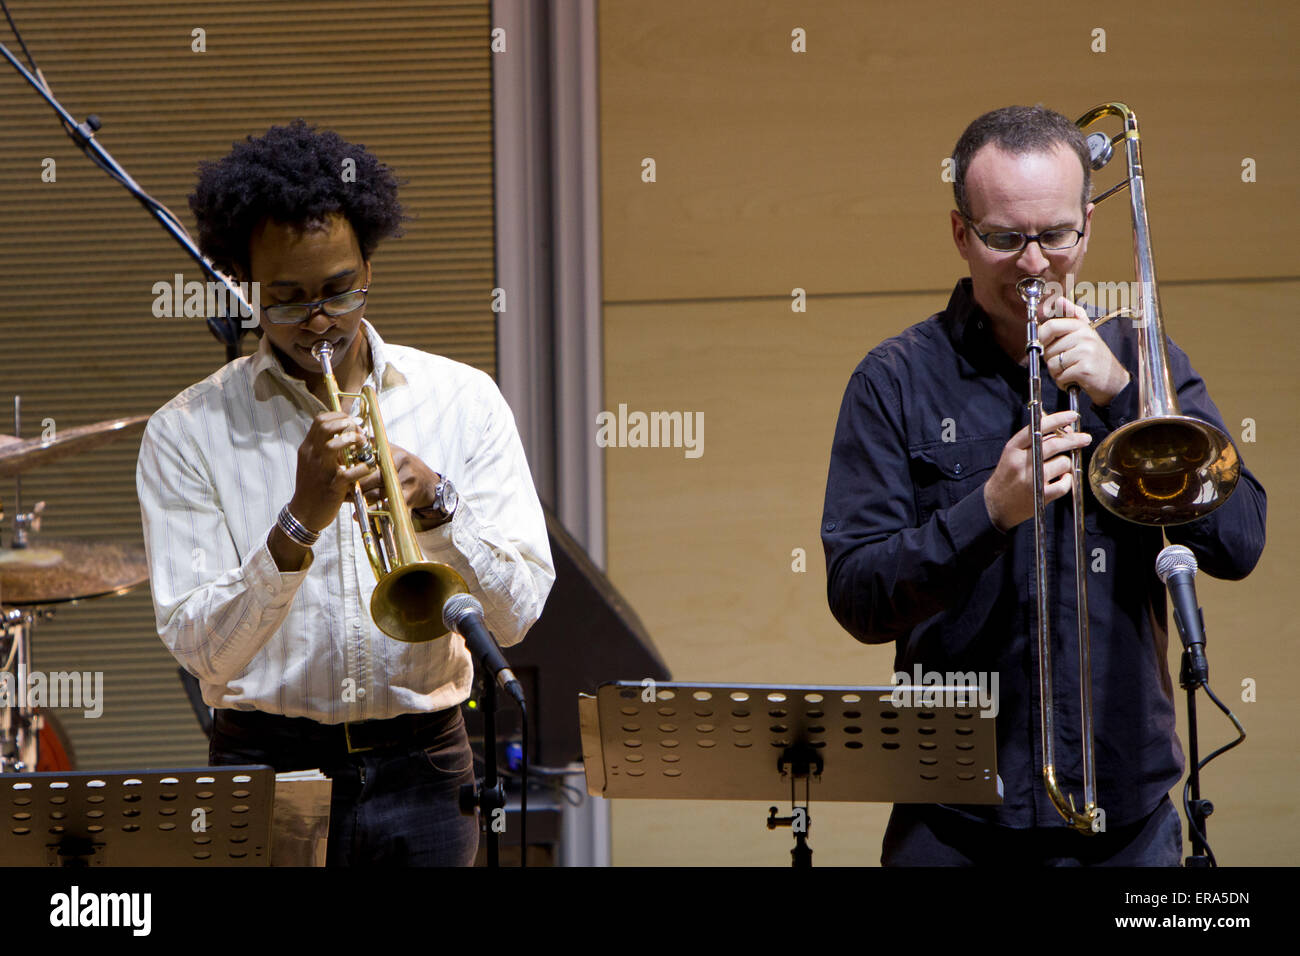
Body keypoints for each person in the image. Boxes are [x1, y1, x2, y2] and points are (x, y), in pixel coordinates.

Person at [820, 105, 1266, 866]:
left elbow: (1239, 540)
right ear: (961, 233)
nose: (1033, 263)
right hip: (953, 820)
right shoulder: (893, 381)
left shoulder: (1140, 357)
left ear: (1088, 226)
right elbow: (858, 596)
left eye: (1055, 235)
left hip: (1125, 820)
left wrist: (1124, 400)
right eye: (1004, 238)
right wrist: (988, 513)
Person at [136, 120, 554, 866]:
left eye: (338, 290)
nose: (319, 322)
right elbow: (205, 653)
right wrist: (298, 521)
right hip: (267, 766)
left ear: (371, 266)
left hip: (425, 766)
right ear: (244, 284)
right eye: (288, 300)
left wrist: (437, 509)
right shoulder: (187, 431)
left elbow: (517, 615)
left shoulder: (465, 399)